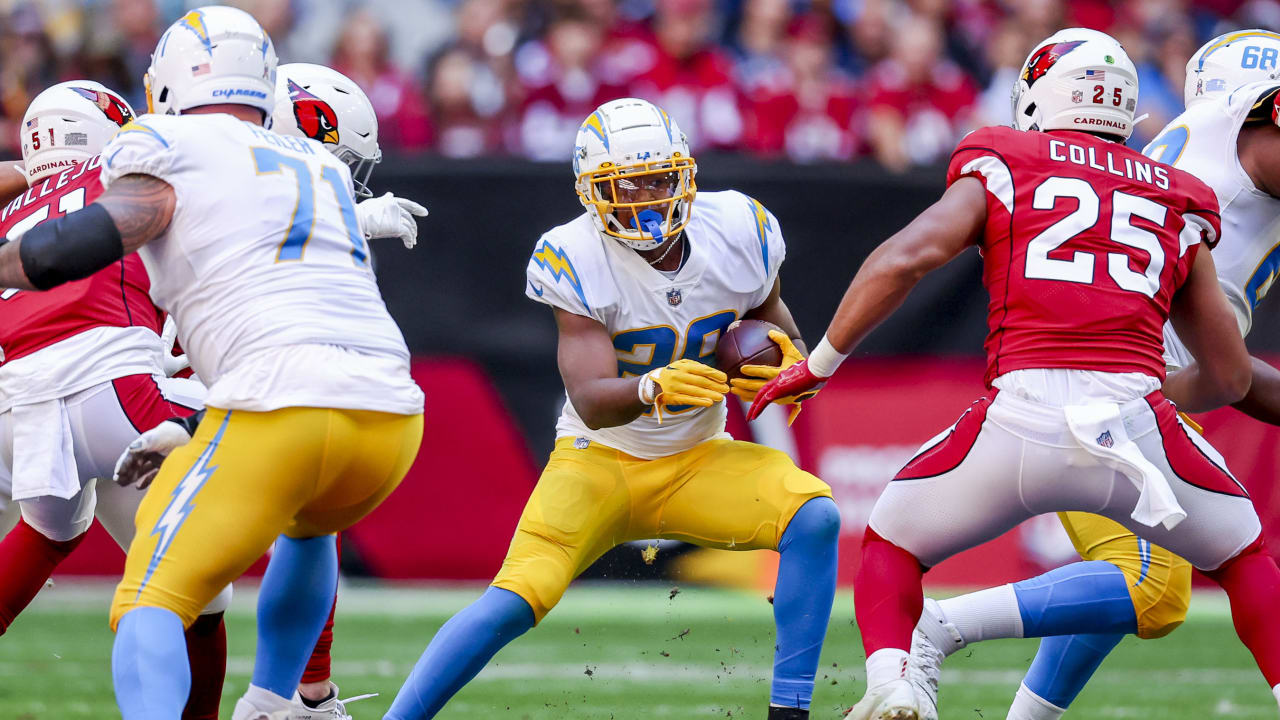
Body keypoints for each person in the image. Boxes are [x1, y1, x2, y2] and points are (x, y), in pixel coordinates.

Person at [747, 28, 1280, 720]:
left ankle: (894, 676)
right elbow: (1231, 376)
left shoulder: (1009, 154)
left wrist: (820, 364)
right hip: (1139, 401)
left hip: (1023, 406)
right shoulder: (1182, 190)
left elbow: (906, 257)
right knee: (1220, 566)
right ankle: (941, 632)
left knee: (891, 543)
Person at [0, 7, 425, 719]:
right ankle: (287, 699)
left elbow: (75, 243)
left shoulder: (165, 145)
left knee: (153, 595)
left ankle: (286, 699)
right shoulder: (315, 168)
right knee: (308, 522)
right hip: (391, 417)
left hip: (262, 402)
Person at [382, 97, 840, 720]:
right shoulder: (573, 254)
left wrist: (794, 367)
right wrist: (653, 387)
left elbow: (774, 328)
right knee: (517, 597)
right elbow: (592, 402)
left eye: (661, 178)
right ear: (592, 192)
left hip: (699, 457)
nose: (649, 196)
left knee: (814, 518)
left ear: (685, 173)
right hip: (600, 461)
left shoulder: (738, 229)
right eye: (629, 184)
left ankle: (791, 713)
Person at [0, 80, 231, 720]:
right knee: (197, 575)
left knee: (47, 530)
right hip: (113, 390)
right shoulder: (129, 179)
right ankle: (288, 697)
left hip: (15, 409)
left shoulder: (11, 208)